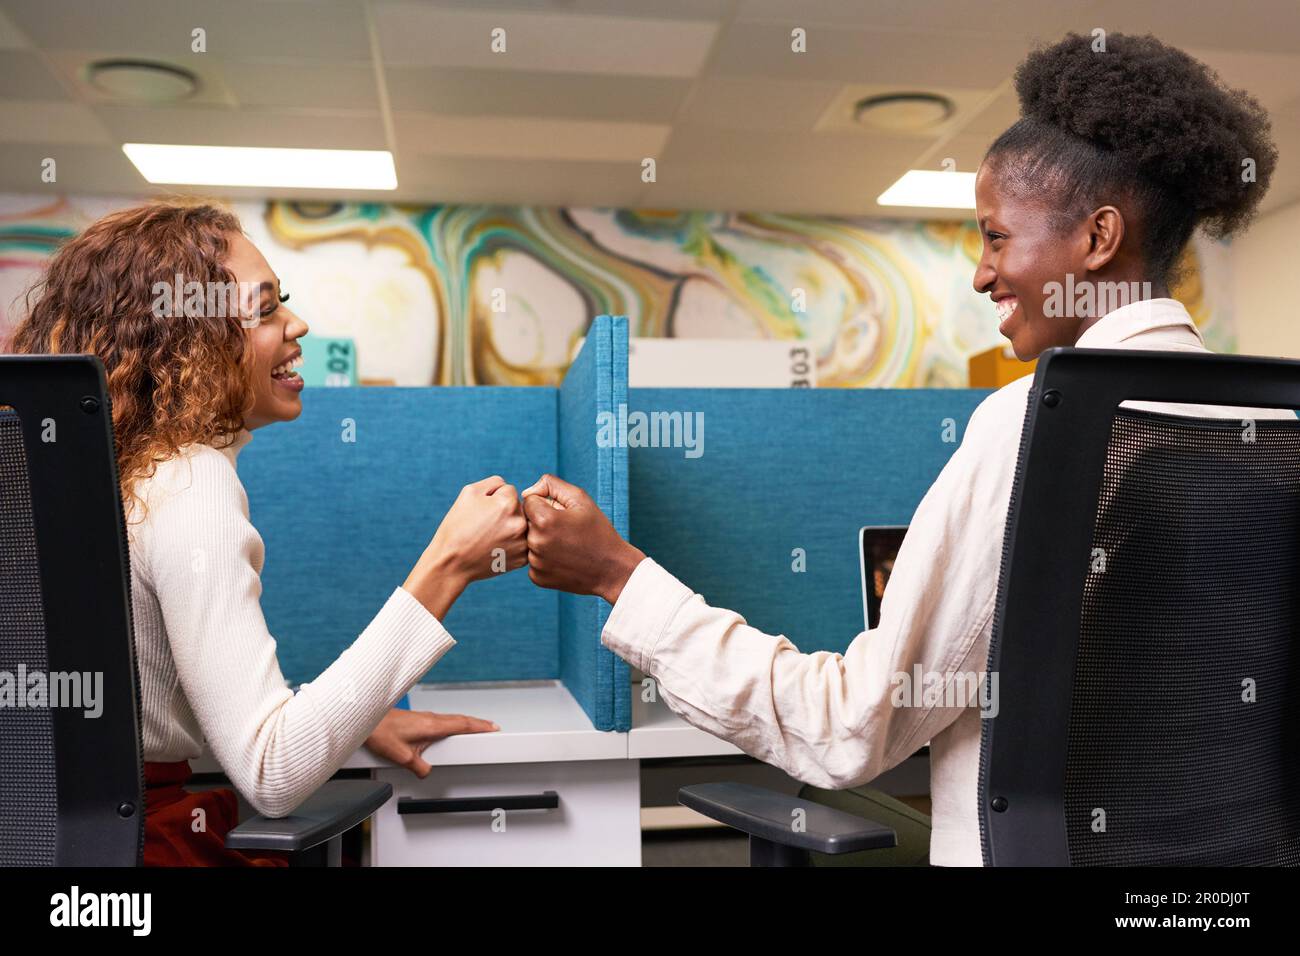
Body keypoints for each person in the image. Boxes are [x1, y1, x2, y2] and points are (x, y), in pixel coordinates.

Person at [519, 32, 1287, 866]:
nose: (981, 274)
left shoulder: (1043, 424)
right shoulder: (1272, 427)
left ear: (1097, 239)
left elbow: (851, 728)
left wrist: (618, 578)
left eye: (996, 237)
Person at [10, 202, 526, 865]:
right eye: (263, 310)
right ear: (184, 338)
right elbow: (271, 772)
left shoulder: (91, 470)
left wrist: (351, 719)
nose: (298, 323)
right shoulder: (191, 484)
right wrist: (448, 565)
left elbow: (132, 711)